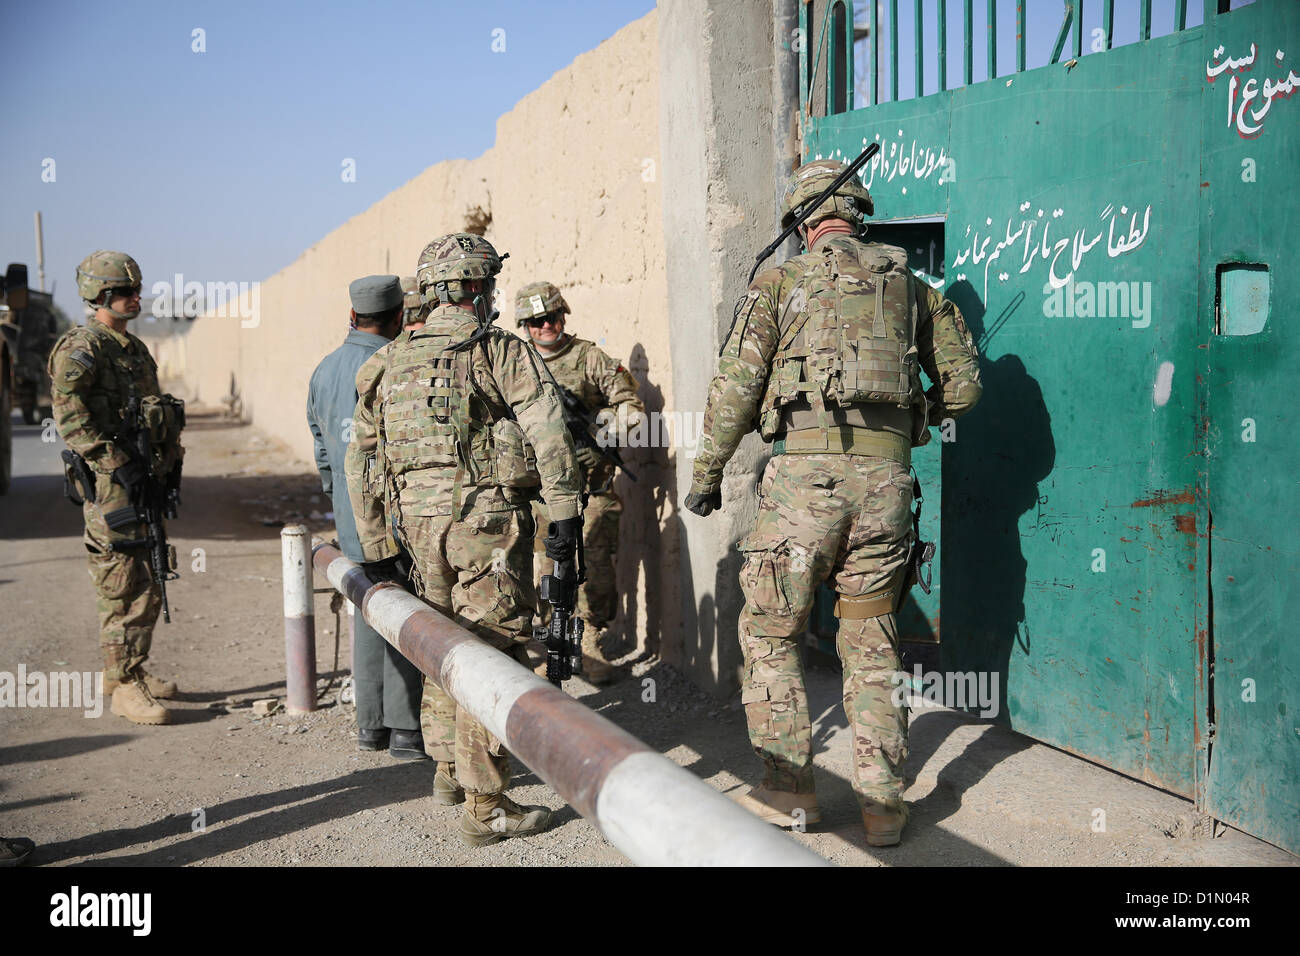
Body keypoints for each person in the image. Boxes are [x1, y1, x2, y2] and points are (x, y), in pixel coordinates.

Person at [685, 160, 982, 846]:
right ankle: (883, 807)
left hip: (803, 487)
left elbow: (734, 390)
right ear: (858, 214)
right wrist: (911, 415)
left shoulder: (779, 282)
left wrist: (705, 476)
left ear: (803, 223)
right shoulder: (916, 289)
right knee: (872, 640)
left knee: (769, 631)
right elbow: (965, 391)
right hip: (887, 487)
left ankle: (791, 793)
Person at [345, 233, 583, 846]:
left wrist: (375, 544)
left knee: (441, 643)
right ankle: (486, 803)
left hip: (414, 530)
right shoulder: (496, 351)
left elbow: (360, 459)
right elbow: (550, 434)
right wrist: (565, 515)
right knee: (492, 652)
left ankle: (448, 771)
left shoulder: (386, 361)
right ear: (476, 286)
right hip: (483, 527)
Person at [47, 251, 186, 726]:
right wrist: (114, 461)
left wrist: (164, 462)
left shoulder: (133, 349)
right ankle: (124, 683)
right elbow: (69, 417)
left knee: (146, 571)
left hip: (141, 479)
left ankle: (127, 669)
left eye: (136, 289)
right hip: (112, 487)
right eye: (126, 292)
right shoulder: (83, 348)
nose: (136, 298)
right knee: (123, 582)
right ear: (101, 297)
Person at [308, 275, 427, 759]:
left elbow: (322, 449)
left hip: (349, 517)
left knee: (368, 609)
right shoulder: (393, 365)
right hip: (392, 518)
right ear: (399, 317)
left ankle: (370, 726)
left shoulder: (324, 369)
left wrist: (339, 497)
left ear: (353, 316)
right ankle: (404, 728)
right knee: (404, 610)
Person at [515, 281, 645, 684]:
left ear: (563, 315)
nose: (545, 326)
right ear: (525, 325)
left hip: (589, 485)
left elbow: (631, 405)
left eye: (552, 317)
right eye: (536, 321)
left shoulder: (588, 357)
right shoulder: (516, 365)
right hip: (539, 490)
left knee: (593, 564)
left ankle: (590, 642)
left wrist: (601, 431)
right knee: (545, 569)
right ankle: (551, 645)